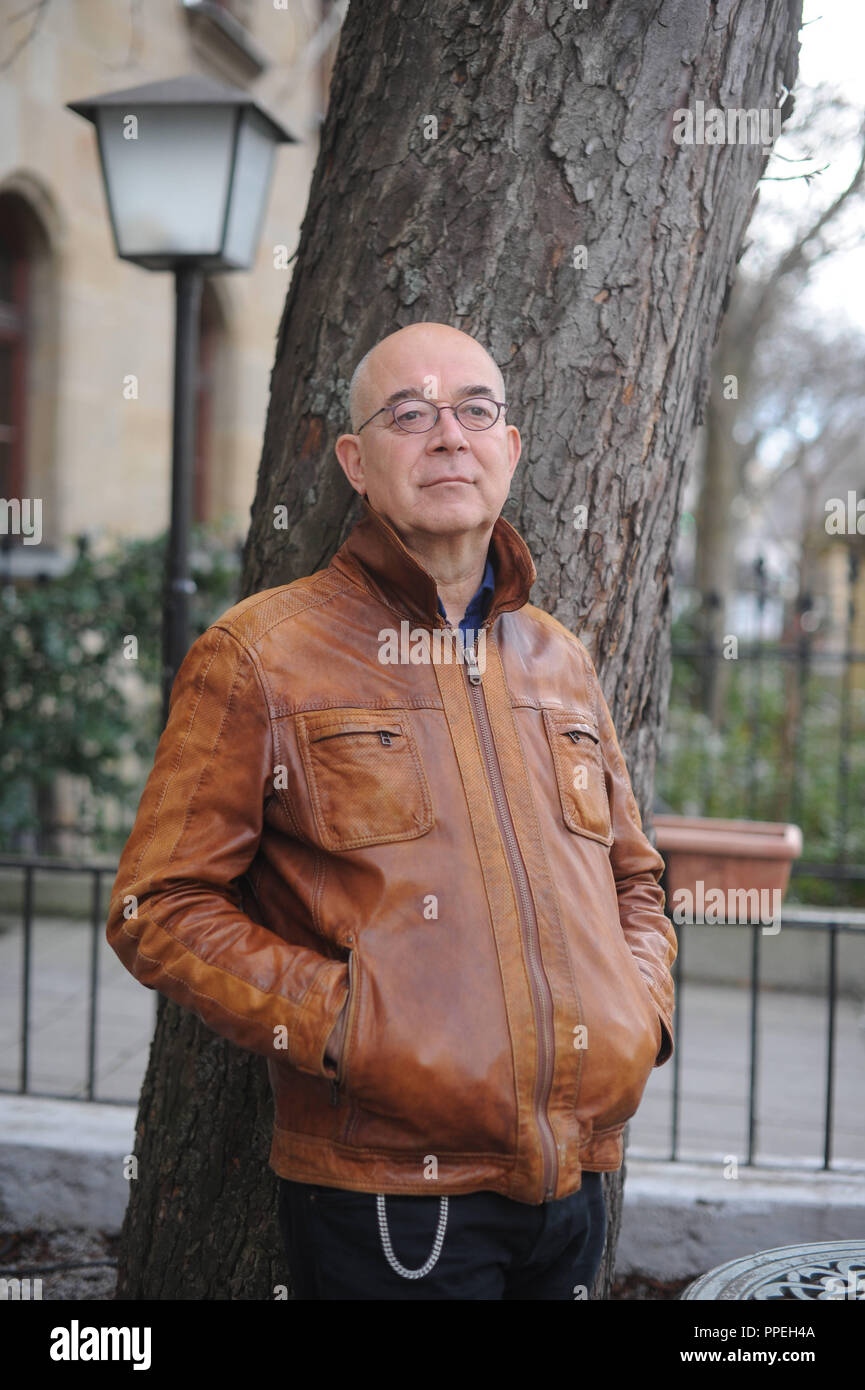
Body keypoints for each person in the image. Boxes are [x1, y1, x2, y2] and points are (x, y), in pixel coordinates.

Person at [106, 321, 677, 1300]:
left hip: (579, 1172)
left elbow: (633, 875)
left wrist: (641, 1016)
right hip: (388, 1197)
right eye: (409, 414)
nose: (447, 435)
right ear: (356, 463)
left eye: (474, 411)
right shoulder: (264, 654)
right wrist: (342, 1024)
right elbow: (153, 906)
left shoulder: (558, 659)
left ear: (509, 449)